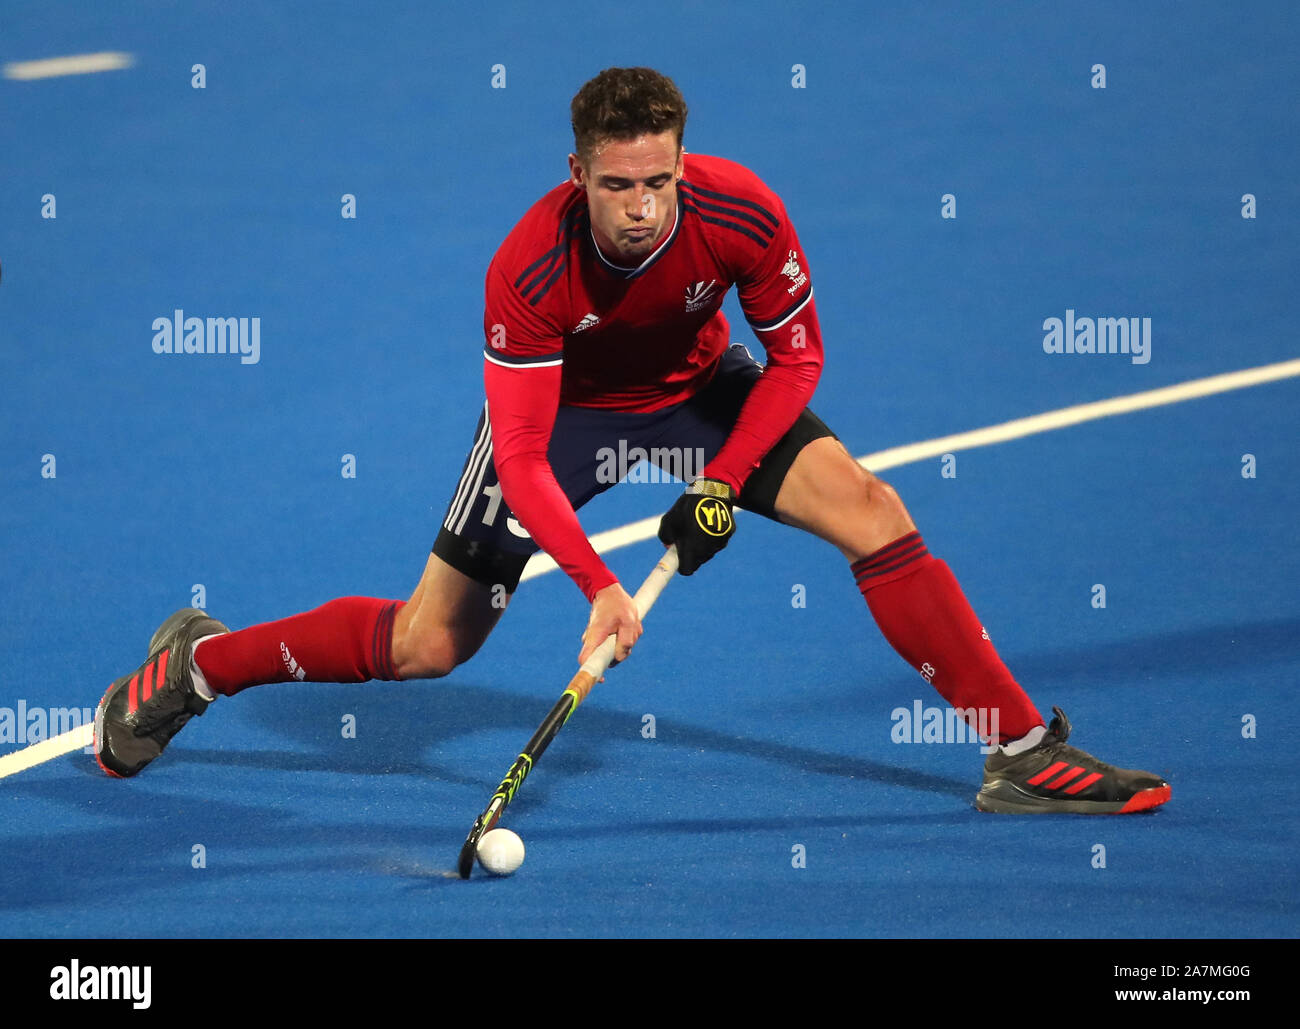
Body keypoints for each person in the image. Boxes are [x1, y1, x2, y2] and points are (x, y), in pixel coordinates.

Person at [95, 67, 1170, 815]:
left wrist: (724, 482)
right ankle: (203, 664)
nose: (645, 207)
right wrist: (596, 589)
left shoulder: (739, 213)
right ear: (577, 175)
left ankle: (1019, 752)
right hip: (563, 421)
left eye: (659, 180)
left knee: (873, 511)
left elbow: (794, 360)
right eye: (618, 185)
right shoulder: (528, 274)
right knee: (431, 647)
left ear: (679, 165)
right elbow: (518, 459)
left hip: (702, 393)